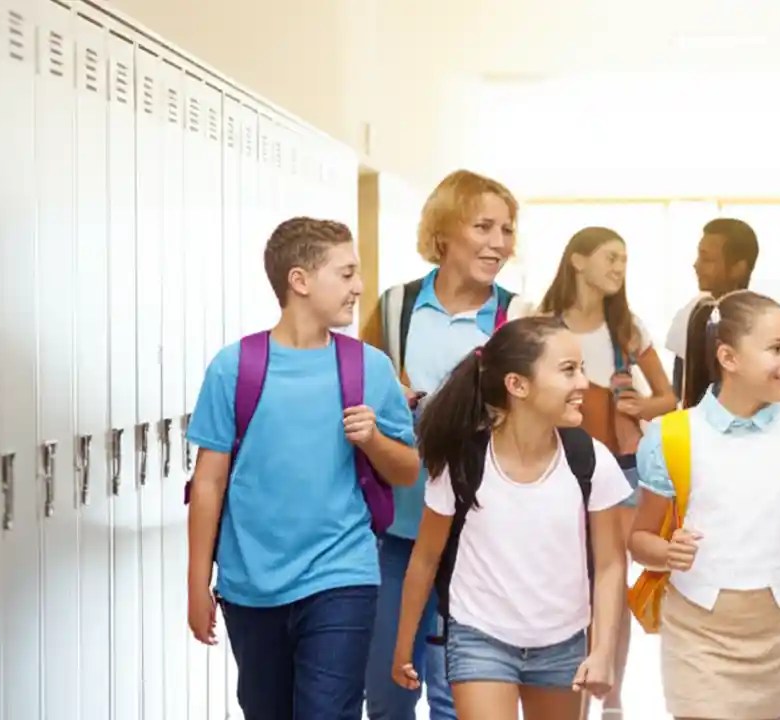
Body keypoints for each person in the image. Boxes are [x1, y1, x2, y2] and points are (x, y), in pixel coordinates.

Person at [186, 217, 421, 719]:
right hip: (250, 583)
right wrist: (195, 584)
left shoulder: (370, 368)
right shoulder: (234, 367)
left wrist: (374, 438)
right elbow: (209, 482)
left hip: (342, 573)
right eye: (346, 273)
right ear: (300, 281)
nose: (359, 286)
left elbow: (406, 471)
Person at [631, 289, 780, 720]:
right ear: (729, 358)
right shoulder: (672, 436)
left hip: (777, 633)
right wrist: (666, 552)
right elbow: (640, 540)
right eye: (776, 348)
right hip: (696, 631)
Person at [389, 316, 631, 720]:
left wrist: (603, 650)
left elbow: (610, 564)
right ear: (517, 385)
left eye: (583, 369)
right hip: (479, 637)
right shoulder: (464, 461)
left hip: (562, 641)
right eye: (568, 370)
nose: (584, 384)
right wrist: (403, 645)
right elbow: (426, 558)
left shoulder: (590, 460)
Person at [368, 169, 529, 720]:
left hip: (478, 536)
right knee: (388, 696)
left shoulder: (515, 316)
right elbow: (365, 386)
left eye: (506, 230)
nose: (499, 243)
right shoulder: (396, 307)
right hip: (399, 531)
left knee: (456, 698)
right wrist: (396, 399)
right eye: (483, 226)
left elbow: (532, 417)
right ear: (444, 233)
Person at [535, 226, 678, 717]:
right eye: (610, 257)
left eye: (624, 260)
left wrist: (640, 403)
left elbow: (668, 397)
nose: (619, 268)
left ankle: (611, 703)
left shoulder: (628, 328)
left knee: (609, 585)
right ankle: (569, 693)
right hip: (556, 467)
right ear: (577, 260)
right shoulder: (540, 323)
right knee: (568, 582)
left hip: (619, 469)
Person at [664, 218, 759, 397]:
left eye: (706, 259)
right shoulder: (692, 315)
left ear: (738, 268)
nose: (696, 265)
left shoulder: (764, 321)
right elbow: (682, 390)